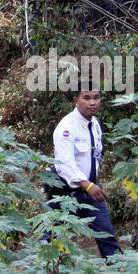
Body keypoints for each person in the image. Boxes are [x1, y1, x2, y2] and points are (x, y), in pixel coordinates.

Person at [49, 86, 121, 258]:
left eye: (96, 97)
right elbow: (64, 162)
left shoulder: (95, 124)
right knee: (53, 239)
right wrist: (87, 185)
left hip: (91, 190)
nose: (92, 102)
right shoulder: (66, 127)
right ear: (76, 100)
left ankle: (118, 267)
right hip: (64, 192)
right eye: (86, 98)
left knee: (107, 236)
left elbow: (94, 156)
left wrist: (91, 184)